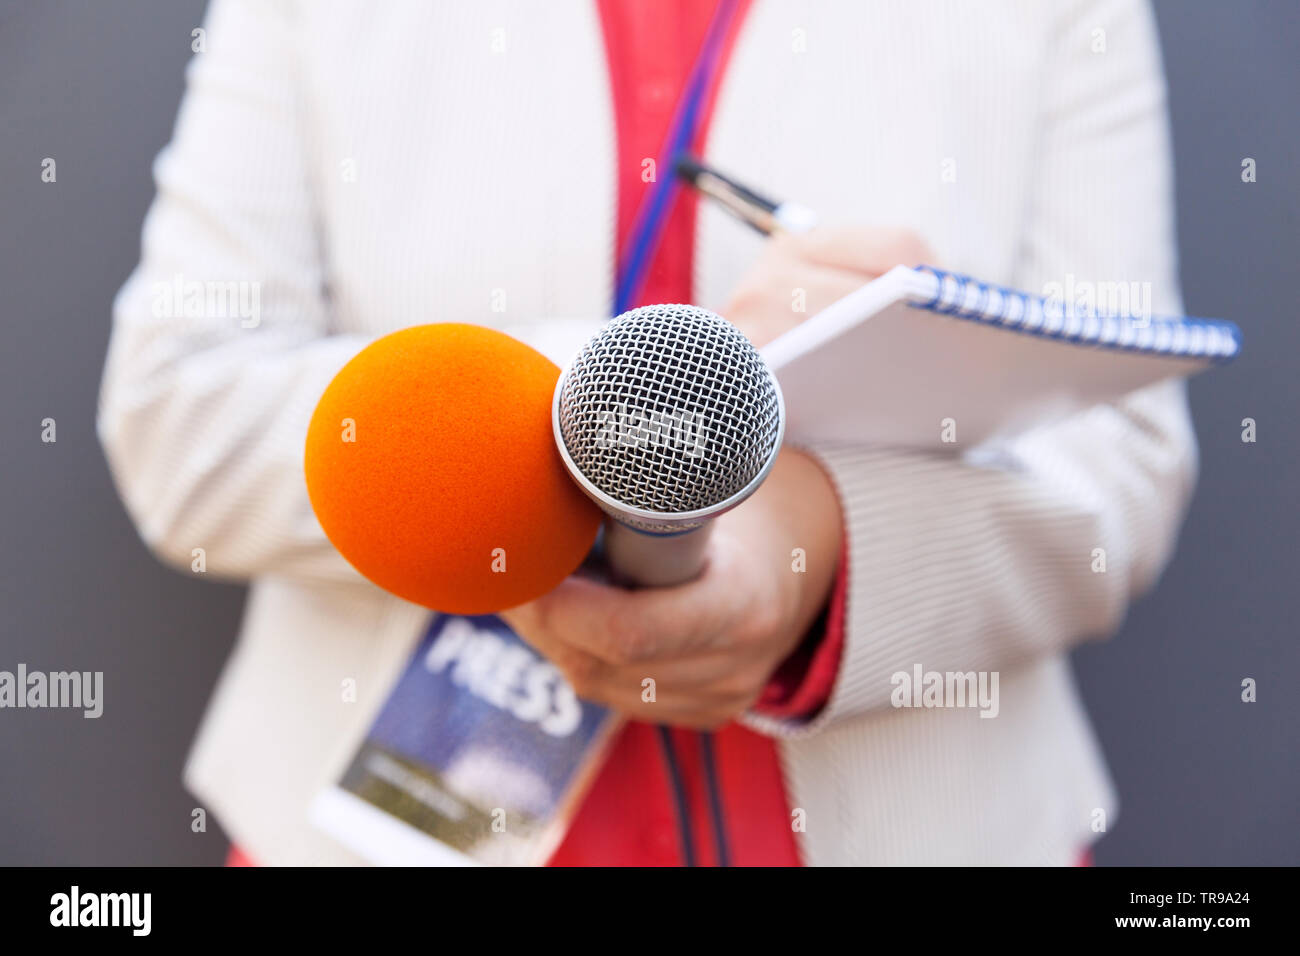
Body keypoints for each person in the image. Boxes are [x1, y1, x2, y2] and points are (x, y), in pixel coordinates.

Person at [98, 0, 1195, 865]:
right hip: (375, 832)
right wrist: (684, 381)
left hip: (937, 822)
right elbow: (182, 420)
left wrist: (819, 543)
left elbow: (1120, 464)